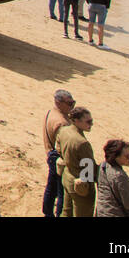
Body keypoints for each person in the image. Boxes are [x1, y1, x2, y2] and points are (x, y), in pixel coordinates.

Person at [56, 106, 96, 217]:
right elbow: (89, 170)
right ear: (76, 121)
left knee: (66, 211)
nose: (91, 124)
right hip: (80, 184)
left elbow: (58, 149)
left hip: (67, 177)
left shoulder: (64, 131)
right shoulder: (82, 143)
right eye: (88, 121)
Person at [41, 89, 74, 217]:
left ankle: (47, 212)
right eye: (70, 103)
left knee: (51, 187)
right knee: (62, 191)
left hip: (50, 153)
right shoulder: (61, 122)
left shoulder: (50, 112)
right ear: (59, 102)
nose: (72, 106)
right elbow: (65, 145)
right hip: (59, 158)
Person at [96, 140, 129, 217]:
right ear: (116, 157)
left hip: (102, 212)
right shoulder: (119, 176)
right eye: (127, 156)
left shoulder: (103, 166)